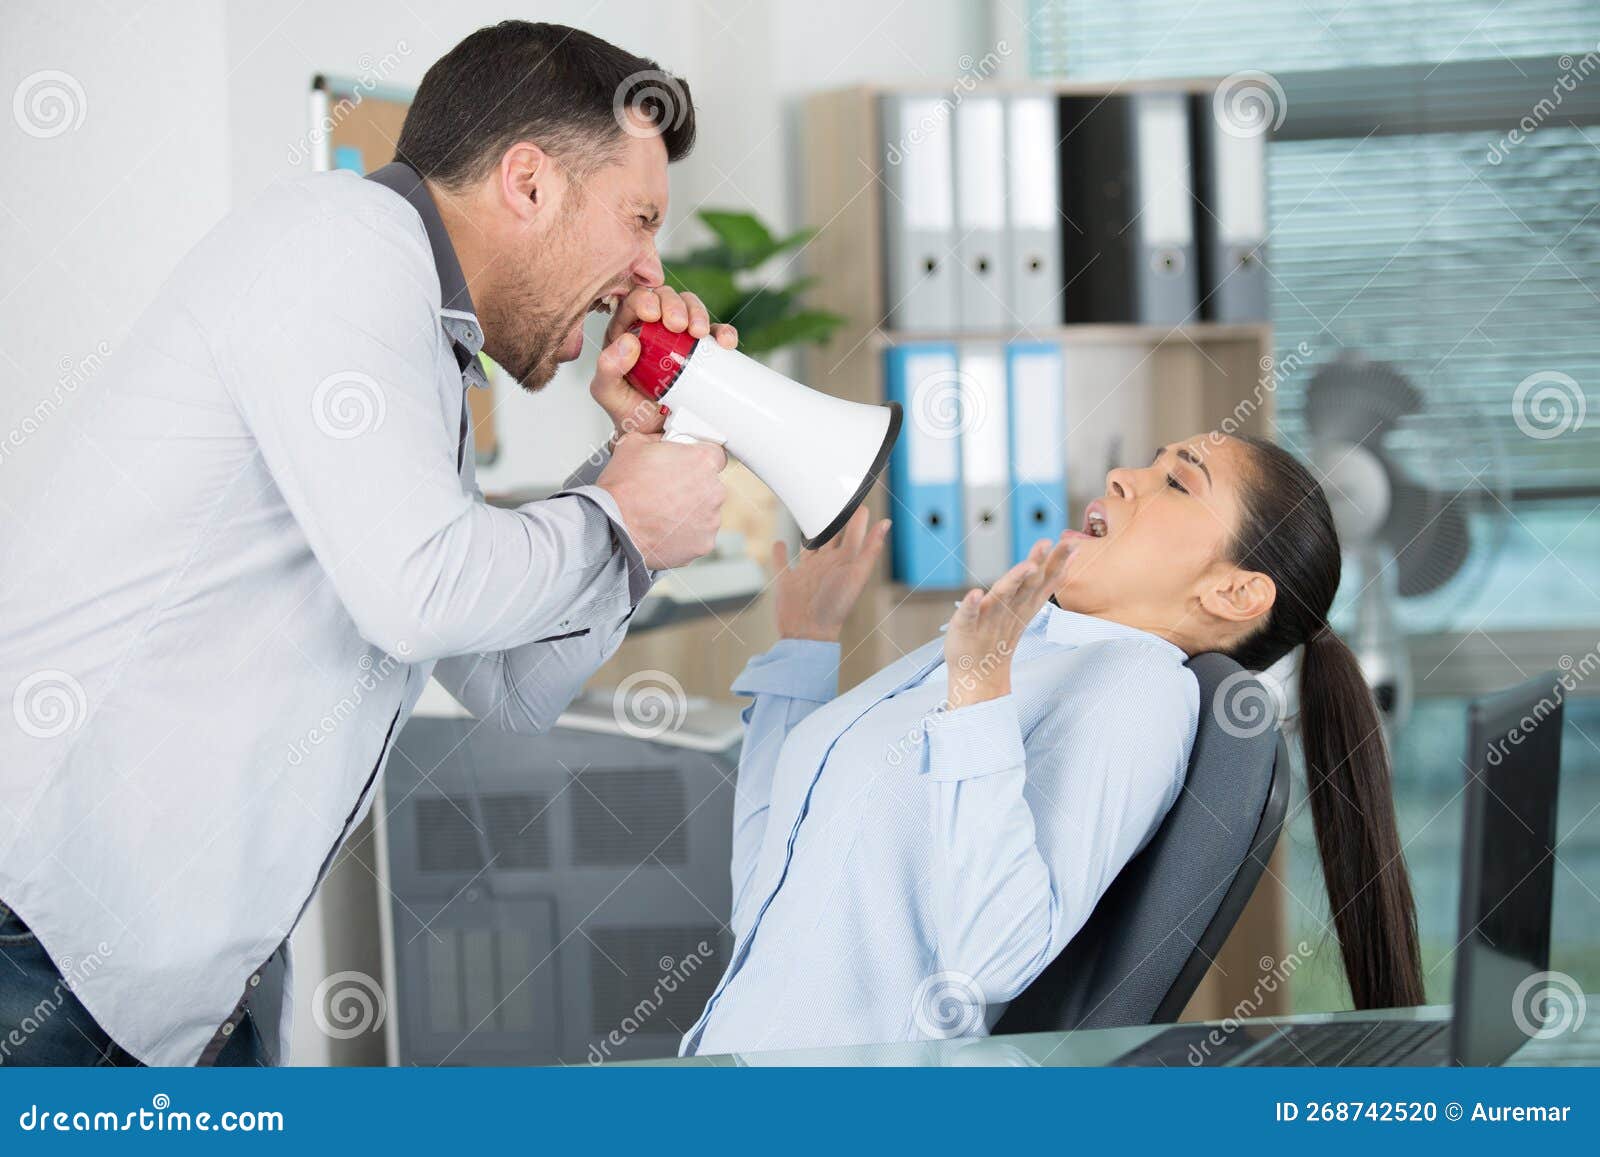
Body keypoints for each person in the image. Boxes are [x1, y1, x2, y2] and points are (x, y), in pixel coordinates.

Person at [0, 21, 733, 1066]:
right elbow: (419, 593)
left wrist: (632, 455)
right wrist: (621, 514)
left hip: (184, 990)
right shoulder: (337, 246)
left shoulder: (421, 338)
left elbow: (509, 682)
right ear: (528, 183)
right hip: (44, 953)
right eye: (640, 217)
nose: (646, 268)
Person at [682, 433, 1423, 1056]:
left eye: (1176, 481)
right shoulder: (1026, 640)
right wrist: (804, 647)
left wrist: (976, 686)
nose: (1121, 478)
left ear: (1234, 593)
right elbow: (768, 885)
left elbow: (994, 958)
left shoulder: (1135, 687)